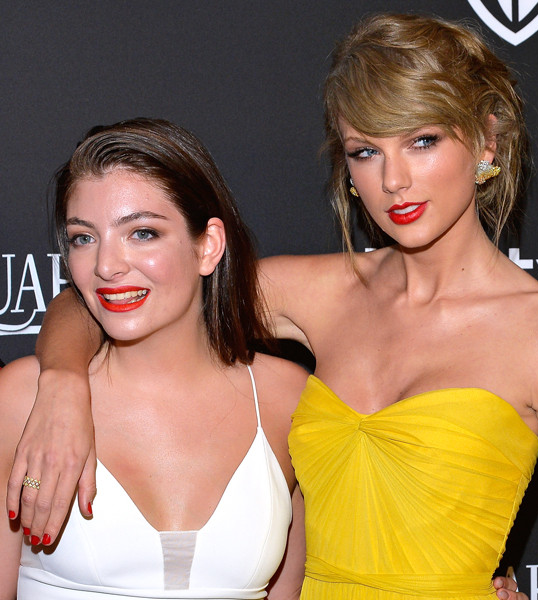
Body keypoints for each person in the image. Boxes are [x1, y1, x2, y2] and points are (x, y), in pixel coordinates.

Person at [7, 12, 538, 600]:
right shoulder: (312, 292)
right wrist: (62, 384)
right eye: (366, 151)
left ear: (487, 140)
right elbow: (108, 295)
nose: (394, 179)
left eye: (422, 140)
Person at [0, 118, 308, 598]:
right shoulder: (22, 398)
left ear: (208, 246)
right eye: (84, 238)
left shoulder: (286, 398)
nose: (106, 266)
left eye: (142, 233)